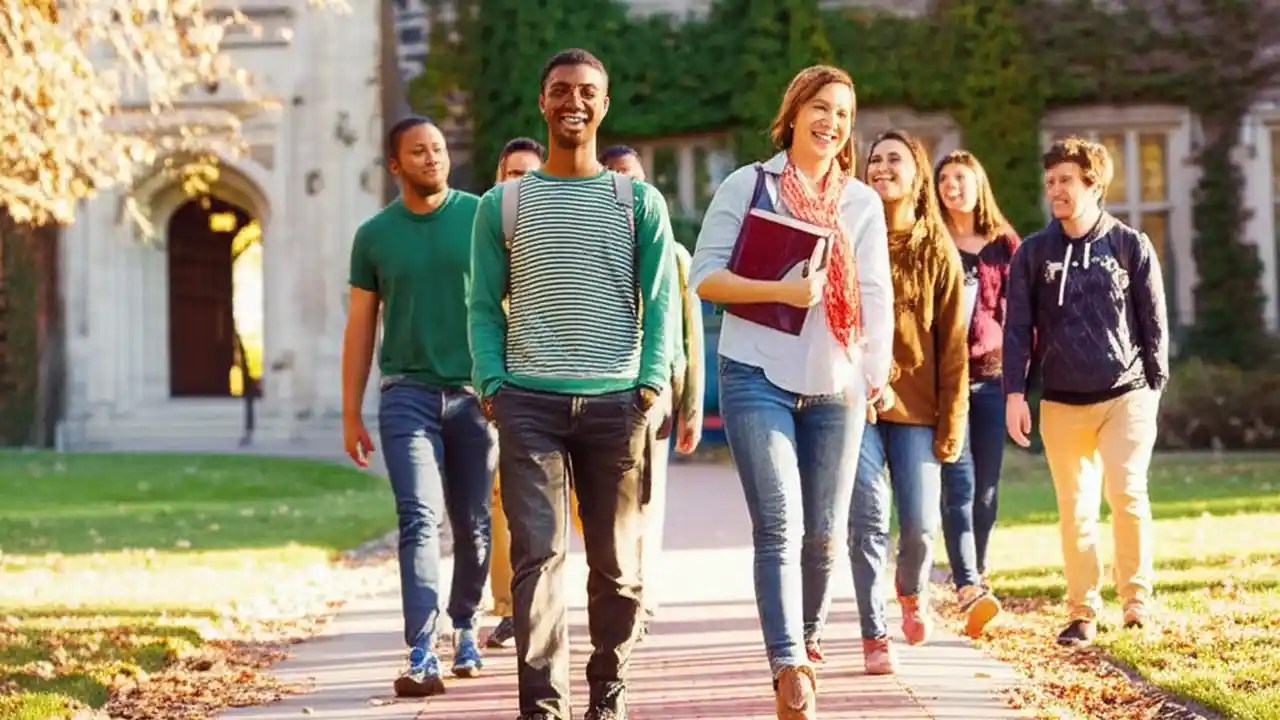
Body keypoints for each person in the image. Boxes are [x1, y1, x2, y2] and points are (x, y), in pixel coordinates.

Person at [468, 48, 676, 720]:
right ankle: (544, 709)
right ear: (543, 101)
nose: (573, 102)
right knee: (538, 562)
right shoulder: (504, 203)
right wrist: (492, 381)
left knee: (617, 570)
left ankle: (608, 694)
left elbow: (663, 299)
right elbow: (480, 304)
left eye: (587, 91)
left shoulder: (636, 200)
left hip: (618, 405)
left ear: (604, 103)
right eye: (560, 90)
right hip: (528, 402)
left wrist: (649, 384)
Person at [690, 65, 893, 720]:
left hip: (836, 381)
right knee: (781, 523)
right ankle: (789, 666)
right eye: (821, 107)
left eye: (843, 113)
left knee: (825, 534)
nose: (831, 122)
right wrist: (779, 291)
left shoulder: (860, 202)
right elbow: (706, 278)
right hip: (754, 371)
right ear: (795, 110)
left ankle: (808, 640)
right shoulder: (749, 185)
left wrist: (876, 370)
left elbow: (875, 295)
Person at [341, 116, 495, 697]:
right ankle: (422, 649)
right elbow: (360, 329)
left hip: (473, 395)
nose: (432, 158)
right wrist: (350, 411)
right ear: (395, 165)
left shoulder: (480, 217)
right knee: (418, 517)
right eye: (418, 152)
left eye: (438, 149)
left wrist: (501, 380)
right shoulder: (375, 235)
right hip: (405, 393)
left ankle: (465, 625)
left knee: (474, 525)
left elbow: (507, 301)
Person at [1004, 136, 1168, 647]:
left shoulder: (1130, 245)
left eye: (1066, 181)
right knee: (1075, 509)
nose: (1056, 189)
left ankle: (1136, 603)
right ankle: (1082, 612)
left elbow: (1154, 320)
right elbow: (1017, 328)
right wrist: (1015, 394)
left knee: (1127, 493)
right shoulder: (1033, 254)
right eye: (1050, 181)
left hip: (1126, 393)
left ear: (1094, 184)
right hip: (1061, 401)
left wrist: (1154, 385)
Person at [848, 129, 968, 675]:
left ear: (918, 174)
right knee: (868, 518)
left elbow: (954, 346)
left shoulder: (936, 248)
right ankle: (875, 634)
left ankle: (912, 593)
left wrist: (952, 420)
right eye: (874, 159)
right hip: (859, 404)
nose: (881, 167)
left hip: (919, 410)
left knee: (920, 522)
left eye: (894, 159)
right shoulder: (848, 236)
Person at [601, 143, 706, 637]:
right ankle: (614, 586)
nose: (630, 187)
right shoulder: (591, 247)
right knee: (606, 504)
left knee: (648, 498)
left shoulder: (675, 253)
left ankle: (643, 596)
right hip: (601, 388)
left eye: (636, 177)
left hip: (657, 391)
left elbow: (691, 334)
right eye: (618, 177)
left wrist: (690, 409)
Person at [934, 149, 1017, 638]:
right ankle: (967, 583)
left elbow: (1022, 317)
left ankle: (977, 577)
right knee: (959, 484)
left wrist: (1018, 384)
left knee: (986, 488)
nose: (951, 186)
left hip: (993, 380)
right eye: (944, 179)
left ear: (978, 183)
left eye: (960, 178)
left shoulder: (1006, 246)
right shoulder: (935, 241)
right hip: (948, 382)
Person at [486, 135, 551, 650]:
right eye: (513, 174)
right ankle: (510, 609)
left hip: (552, 389)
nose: (522, 183)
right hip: (500, 393)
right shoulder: (486, 237)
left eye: (532, 174)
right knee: (505, 505)